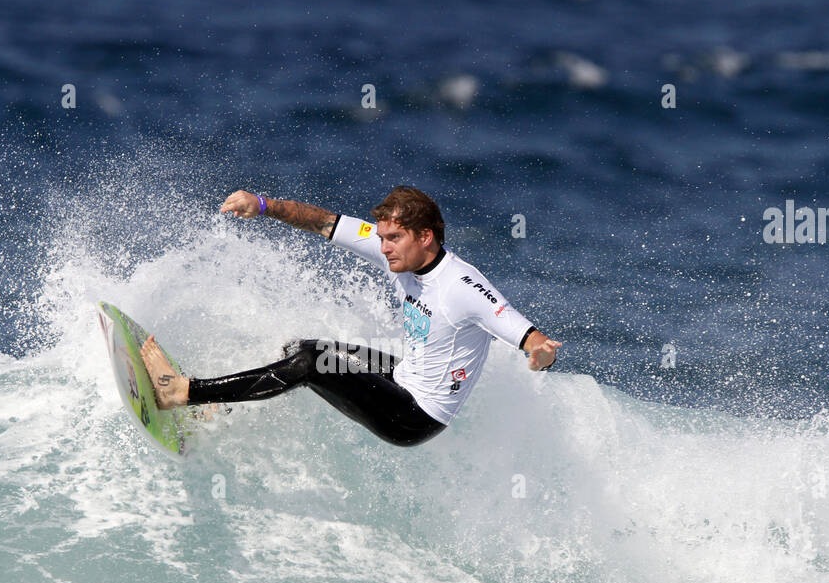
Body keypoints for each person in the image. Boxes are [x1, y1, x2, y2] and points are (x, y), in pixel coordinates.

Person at [140, 186, 560, 446]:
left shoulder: (464, 288)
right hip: (403, 376)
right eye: (382, 237)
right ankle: (213, 411)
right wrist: (264, 205)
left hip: (416, 416)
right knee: (302, 350)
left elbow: (526, 334)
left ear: (425, 237)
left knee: (307, 366)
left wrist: (541, 353)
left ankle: (182, 394)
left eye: (394, 239)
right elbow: (325, 222)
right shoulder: (395, 252)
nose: (384, 247)